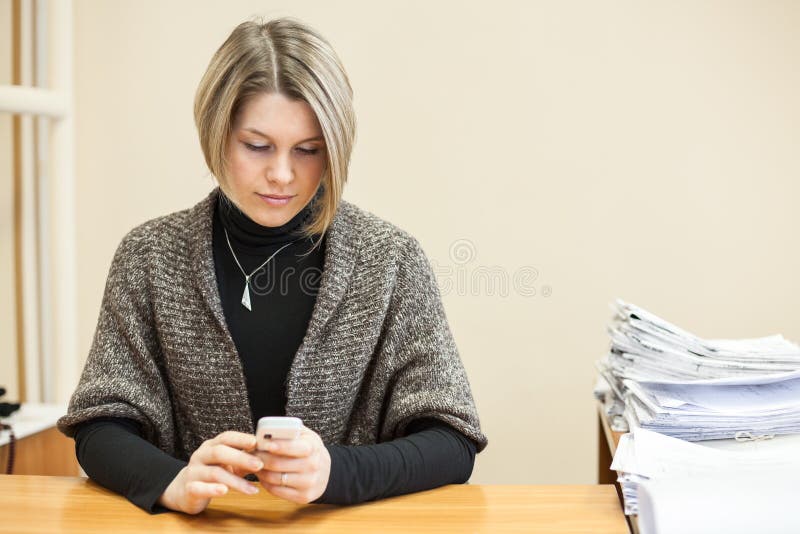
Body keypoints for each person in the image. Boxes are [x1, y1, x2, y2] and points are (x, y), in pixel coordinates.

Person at [57, 16, 487, 515]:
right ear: (216, 133)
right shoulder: (149, 257)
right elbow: (99, 426)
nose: (282, 175)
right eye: (257, 146)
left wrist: (336, 472)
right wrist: (172, 481)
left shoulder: (390, 261)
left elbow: (453, 442)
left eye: (309, 151)